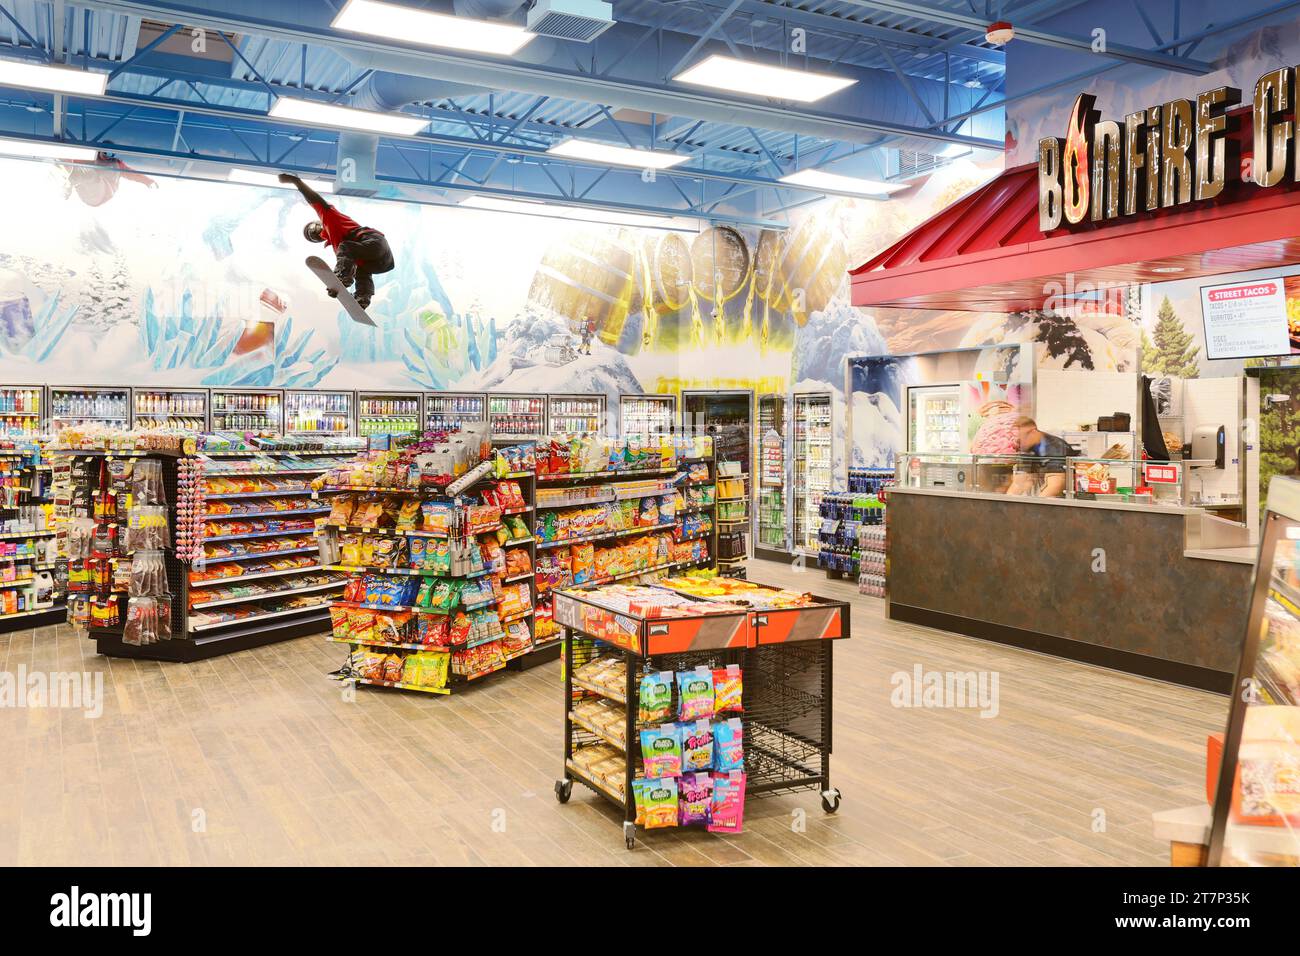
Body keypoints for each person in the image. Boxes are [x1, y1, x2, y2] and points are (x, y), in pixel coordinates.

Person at [278, 172, 393, 309]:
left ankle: (342, 277)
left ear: (318, 223)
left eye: (312, 230)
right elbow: (348, 265)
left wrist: (296, 181)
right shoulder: (338, 247)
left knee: (346, 249)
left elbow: (314, 199)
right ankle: (363, 297)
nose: (314, 234)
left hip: (375, 242)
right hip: (381, 263)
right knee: (359, 268)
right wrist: (337, 289)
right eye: (312, 237)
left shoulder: (330, 218)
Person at [1006, 416, 1074, 498]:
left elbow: (1055, 486)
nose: (1017, 444)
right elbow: (1020, 483)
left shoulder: (1056, 447)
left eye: (1020, 440)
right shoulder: (1027, 449)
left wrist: (1035, 507)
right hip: (1040, 498)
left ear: (1033, 432)